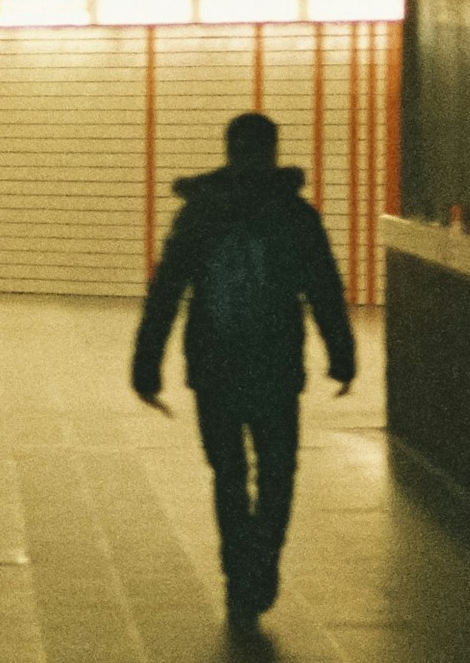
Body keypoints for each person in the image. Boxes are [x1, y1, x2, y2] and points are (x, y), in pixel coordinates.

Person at [132, 109, 356, 623]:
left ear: (228, 150)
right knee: (278, 471)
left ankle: (239, 574)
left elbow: (166, 290)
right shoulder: (295, 215)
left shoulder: (198, 214)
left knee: (228, 473)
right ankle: (263, 563)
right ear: (272, 151)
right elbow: (323, 287)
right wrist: (341, 355)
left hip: (214, 366)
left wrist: (147, 366)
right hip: (275, 366)